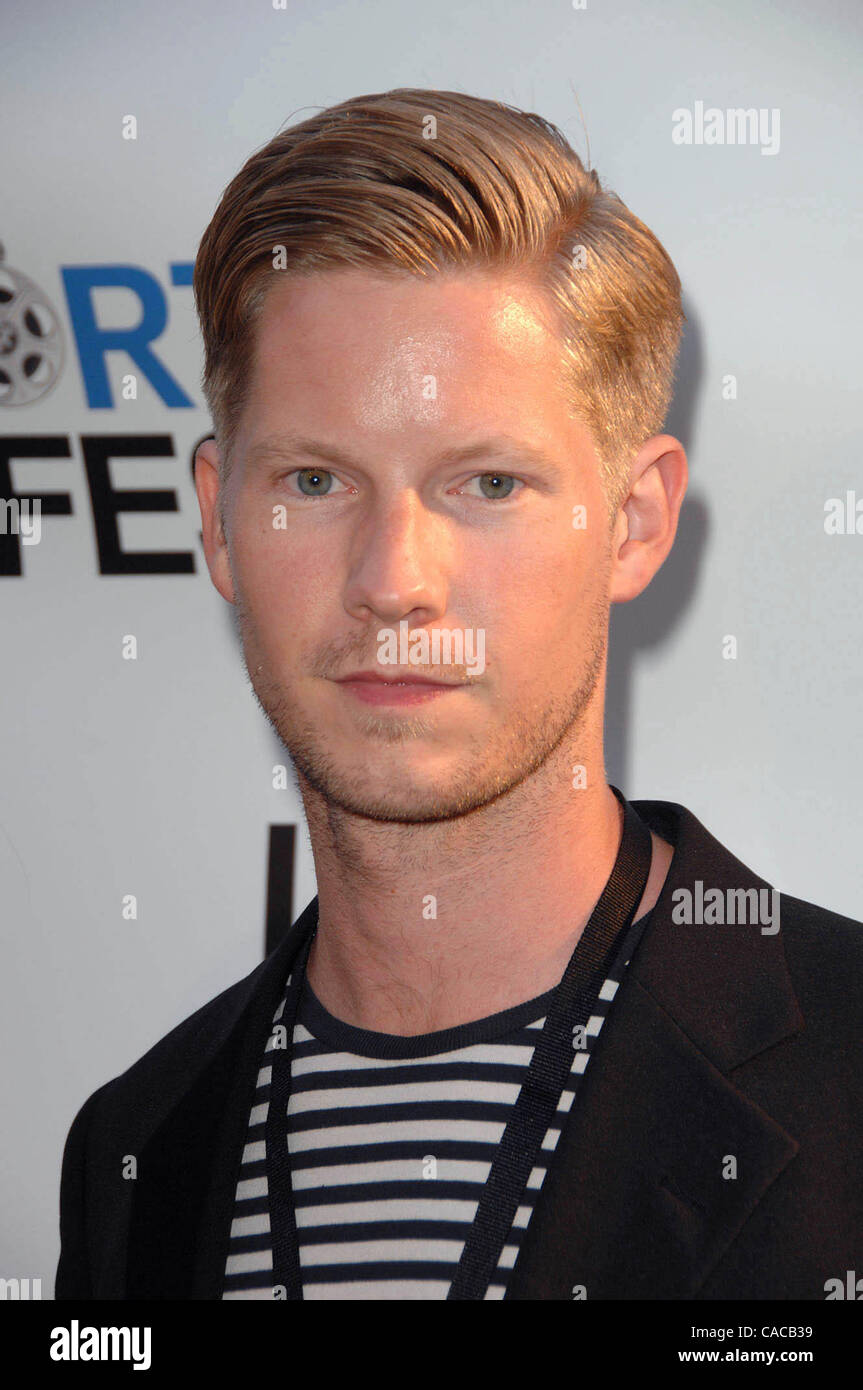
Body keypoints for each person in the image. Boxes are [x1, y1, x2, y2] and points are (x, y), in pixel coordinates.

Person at [56, 88, 862, 1301]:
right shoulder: (135, 1150)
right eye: (315, 480)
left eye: (485, 484)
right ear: (219, 522)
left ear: (633, 522)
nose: (393, 582)